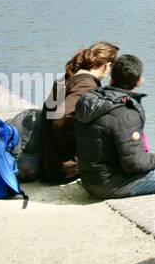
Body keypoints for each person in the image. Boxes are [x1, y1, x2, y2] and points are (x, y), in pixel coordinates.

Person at [74, 54, 155, 199]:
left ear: (111, 78)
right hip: (111, 184)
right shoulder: (126, 112)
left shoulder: (91, 100)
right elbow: (133, 164)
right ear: (140, 81)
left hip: (91, 179)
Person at [40, 42, 118, 183]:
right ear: (107, 66)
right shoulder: (86, 85)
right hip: (68, 169)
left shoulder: (68, 78)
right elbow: (61, 120)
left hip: (52, 165)